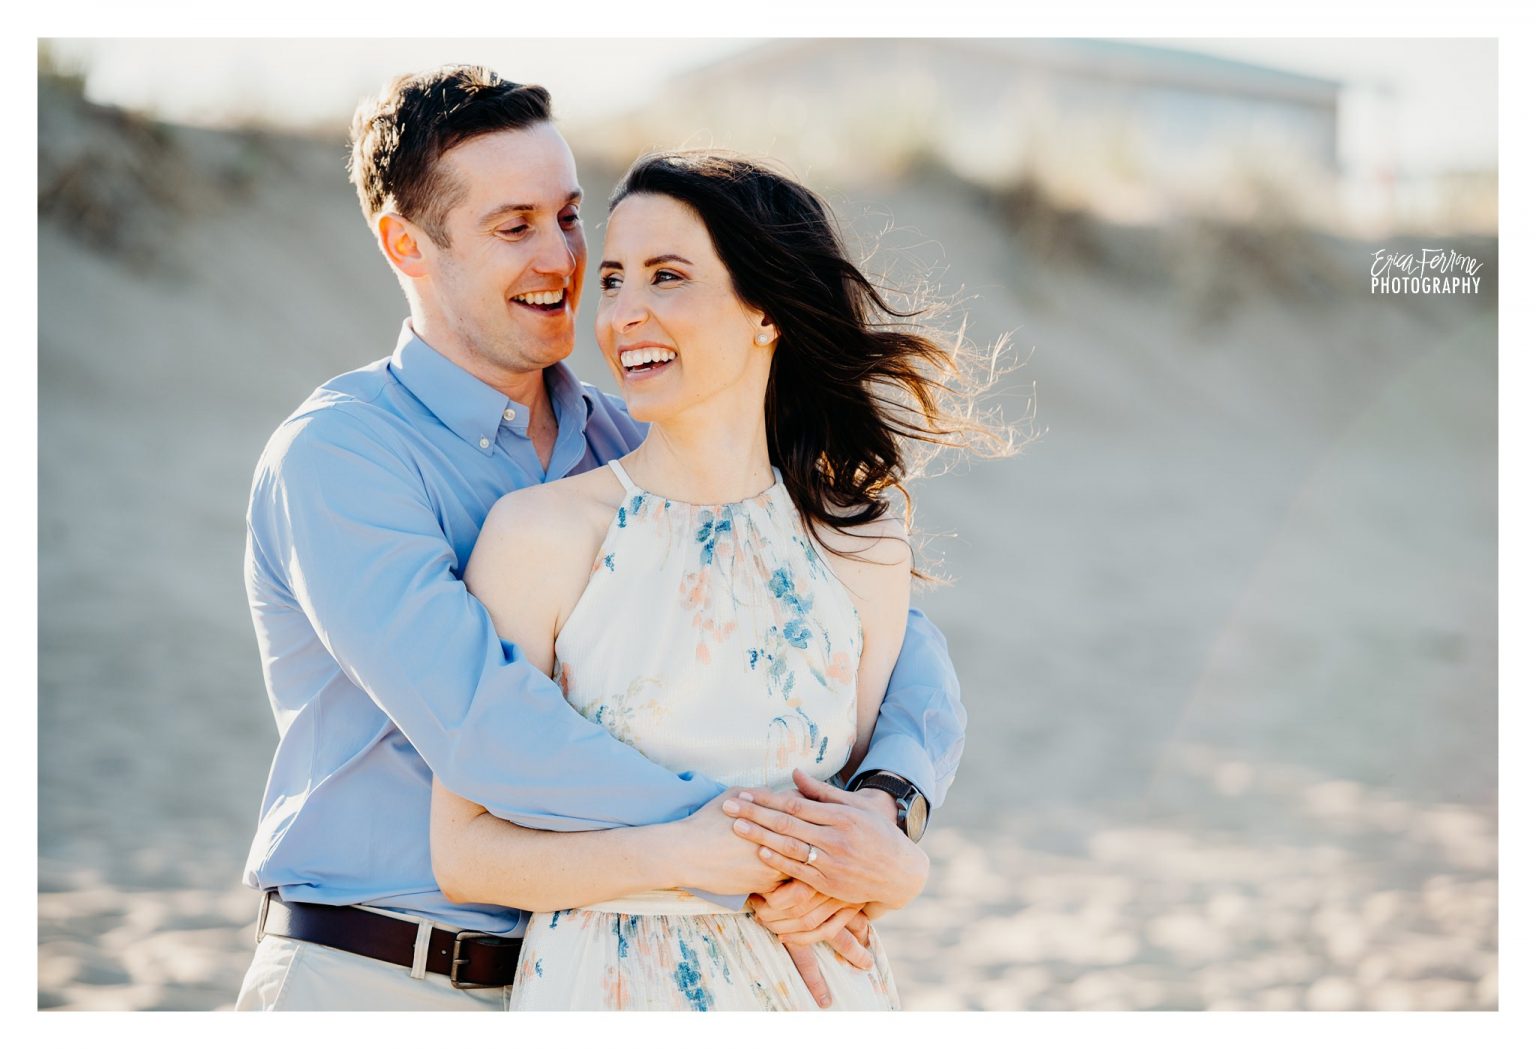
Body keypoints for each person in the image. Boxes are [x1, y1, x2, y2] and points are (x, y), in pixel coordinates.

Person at [234, 64, 963, 1011]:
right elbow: (491, 731)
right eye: (513, 227)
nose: (562, 260)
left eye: (569, 216)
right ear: (406, 246)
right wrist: (774, 851)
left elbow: (887, 629)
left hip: (570, 972)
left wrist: (887, 805)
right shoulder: (341, 459)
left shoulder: (637, 439)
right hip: (376, 970)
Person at [431, 150, 1009, 1010]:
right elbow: (467, 852)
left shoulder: (860, 546)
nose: (626, 315)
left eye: (668, 278)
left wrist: (894, 868)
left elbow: (853, 815)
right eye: (616, 282)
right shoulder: (544, 535)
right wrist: (679, 856)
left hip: (818, 991)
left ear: (766, 311)